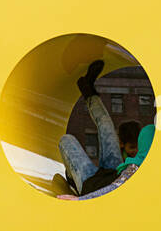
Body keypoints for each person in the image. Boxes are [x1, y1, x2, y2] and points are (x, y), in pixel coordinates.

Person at [55, 59, 154, 200]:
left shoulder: (137, 168)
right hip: (113, 170)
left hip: (90, 184)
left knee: (66, 140)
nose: (136, 150)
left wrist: (80, 199)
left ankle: (72, 179)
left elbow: (116, 187)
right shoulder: (145, 144)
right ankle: (88, 89)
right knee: (106, 125)